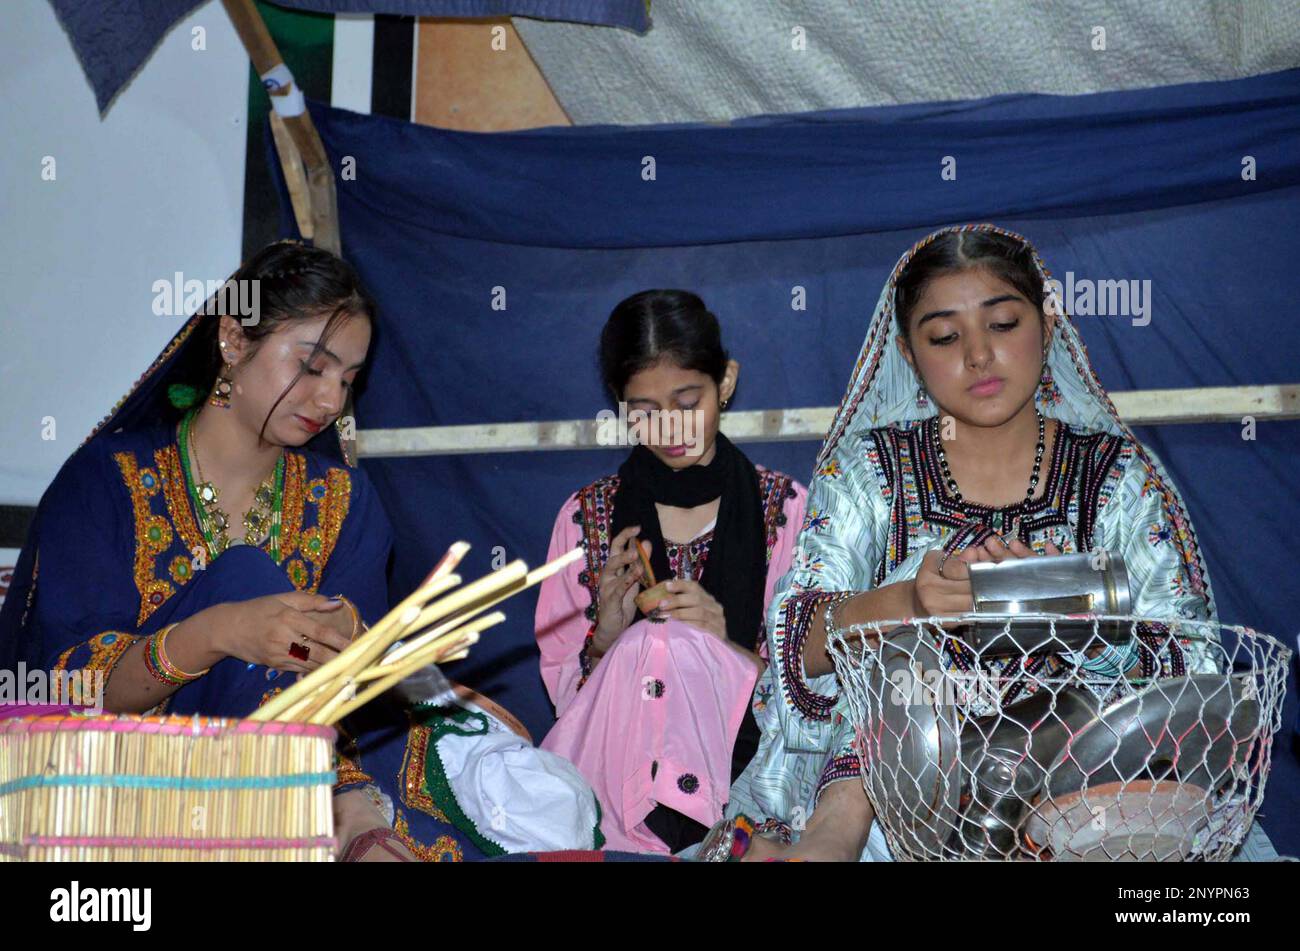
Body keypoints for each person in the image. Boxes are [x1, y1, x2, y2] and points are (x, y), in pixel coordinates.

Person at [0, 241, 600, 861]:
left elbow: (348, 707)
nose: (330, 401)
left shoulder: (343, 501)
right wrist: (217, 630)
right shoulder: (108, 481)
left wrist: (359, 656)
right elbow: (68, 689)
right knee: (245, 579)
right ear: (233, 340)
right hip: (124, 779)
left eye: (348, 379)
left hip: (298, 775)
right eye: (312, 366)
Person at [716, 224, 1221, 861]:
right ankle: (836, 822)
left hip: (1075, 777)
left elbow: (1193, 671)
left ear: (1047, 323)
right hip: (899, 786)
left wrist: (1064, 617)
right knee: (899, 625)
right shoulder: (871, 469)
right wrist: (909, 603)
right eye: (946, 337)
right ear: (907, 353)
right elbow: (798, 649)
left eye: (1004, 324)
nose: (978, 355)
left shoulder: (1116, 477)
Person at [535, 290, 806, 853]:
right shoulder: (586, 519)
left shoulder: (786, 512)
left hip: (754, 792)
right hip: (613, 789)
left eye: (688, 400)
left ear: (725, 383)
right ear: (619, 405)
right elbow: (570, 711)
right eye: (645, 412)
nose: (669, 428)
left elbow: (815, 698)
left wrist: (724, 645)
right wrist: (606, 638)